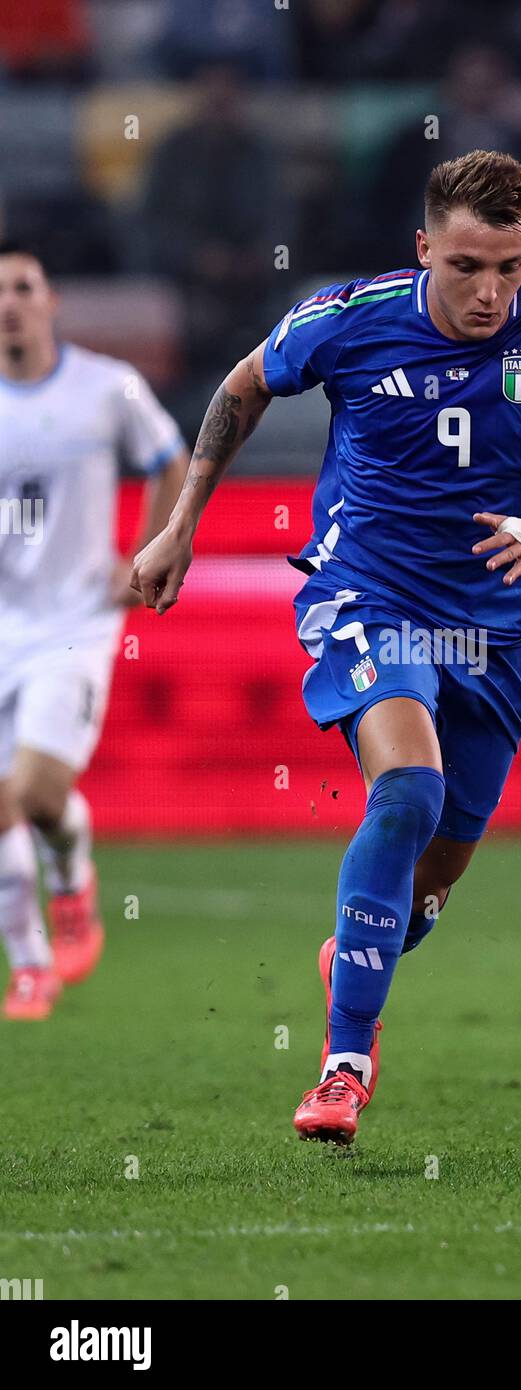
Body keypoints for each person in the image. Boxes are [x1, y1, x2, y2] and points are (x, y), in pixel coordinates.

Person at [131, 150, 521, 1143]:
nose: (488, 291)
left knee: (428, 887)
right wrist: (181, 520)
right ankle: (343, 1066)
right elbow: (244, 384)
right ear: (422, 250)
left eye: (508, 266)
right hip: (369, 593)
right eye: (463, 266)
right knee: (407, 789)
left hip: (497, 628)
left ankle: (360, 946)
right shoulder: (349, 319)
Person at [0, 243, 187, 1020]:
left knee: (37, 795)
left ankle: (72, 872)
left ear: (51, 301)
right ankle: (30, 964)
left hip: (73, 624)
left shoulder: (106, 390)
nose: (9, 302)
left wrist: (148, 550)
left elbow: (172, 460)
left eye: (22, 286)